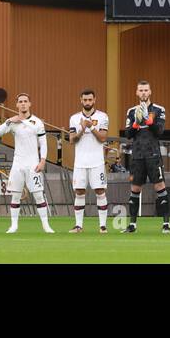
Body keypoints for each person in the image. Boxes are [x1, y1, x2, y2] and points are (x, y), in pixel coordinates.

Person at [0, 92, 53, 234]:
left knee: (38, 195)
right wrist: (9, 121)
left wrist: (43, 160)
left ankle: (46, 226)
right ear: (17, 104)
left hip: (33, 164)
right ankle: (14, 226)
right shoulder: (13, 123)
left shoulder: (37, 122)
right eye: (20, 101)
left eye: (26, 101)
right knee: (15, 195)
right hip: (18, 164)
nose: (23, 103)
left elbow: (43, 143)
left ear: (30, 104)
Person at [123, 80, 169, 233]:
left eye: (145, 90)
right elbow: (128, 134)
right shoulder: (131, 111)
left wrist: (149, 122)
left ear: (150, 92)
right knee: (135, 189)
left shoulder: (158, 110)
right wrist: (136, 123)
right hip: (137, 155)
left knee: (160, 187)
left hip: (153, 154)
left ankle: (166, 224)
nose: (143, 93)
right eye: (140, 90)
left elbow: (160, 131)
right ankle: (132, 225)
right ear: (137, 93)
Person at [67, 88, 110, 234]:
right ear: (81, 100)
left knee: (100, 191)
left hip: (97, 161)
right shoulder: (74, 118)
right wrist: (81, 128)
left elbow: (103, 138)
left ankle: (103, 226)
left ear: (94, 100)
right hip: (80, 162)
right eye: (85, 100)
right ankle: (78, 225)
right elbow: (72, 140)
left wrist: (91, 127)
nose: (87, 102)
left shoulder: (103, 116)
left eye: (90, 99)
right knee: (79, 192)